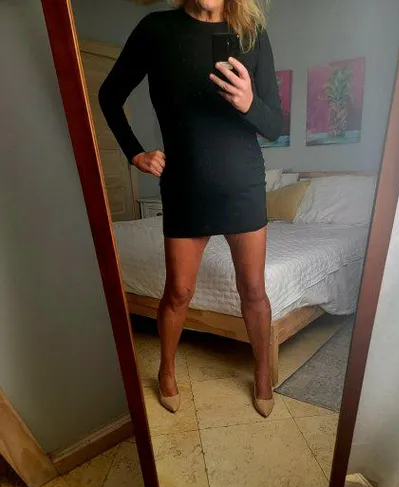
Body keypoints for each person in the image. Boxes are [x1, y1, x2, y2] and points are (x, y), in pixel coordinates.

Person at [99, 0, 282, 417]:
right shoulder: (156, 30)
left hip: (242, 185)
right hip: (185, 185)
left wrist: (249, 102)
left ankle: (262, 373)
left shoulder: (252, 34)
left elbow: (275, 125)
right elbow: (109, 95)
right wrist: (134, 153)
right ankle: (166, 370)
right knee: (178, 292)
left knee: (254, 291)